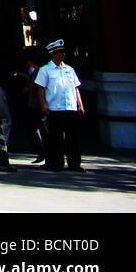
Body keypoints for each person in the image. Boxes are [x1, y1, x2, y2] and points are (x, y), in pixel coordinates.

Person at [34, 39, 84, 173]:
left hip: (70, 107)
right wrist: (43, 105)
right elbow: (40, 89)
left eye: (63, 52)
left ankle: (75, 164)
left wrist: (80, 104)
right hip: (55, 108)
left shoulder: (69, 69)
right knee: (55, 138)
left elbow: (76, 88)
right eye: (58, 52)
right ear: (52, 54)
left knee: (73, 137)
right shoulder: (45, 70)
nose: (62, 55)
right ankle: (56, 164)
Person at [21, 47, 48, 164]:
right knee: (34, 130)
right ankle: (42, 152)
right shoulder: (36, 72)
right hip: (34, 105)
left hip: (39, 106)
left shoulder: (41, 72)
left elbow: (41, 90)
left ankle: (44, 152)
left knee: (40, 130)